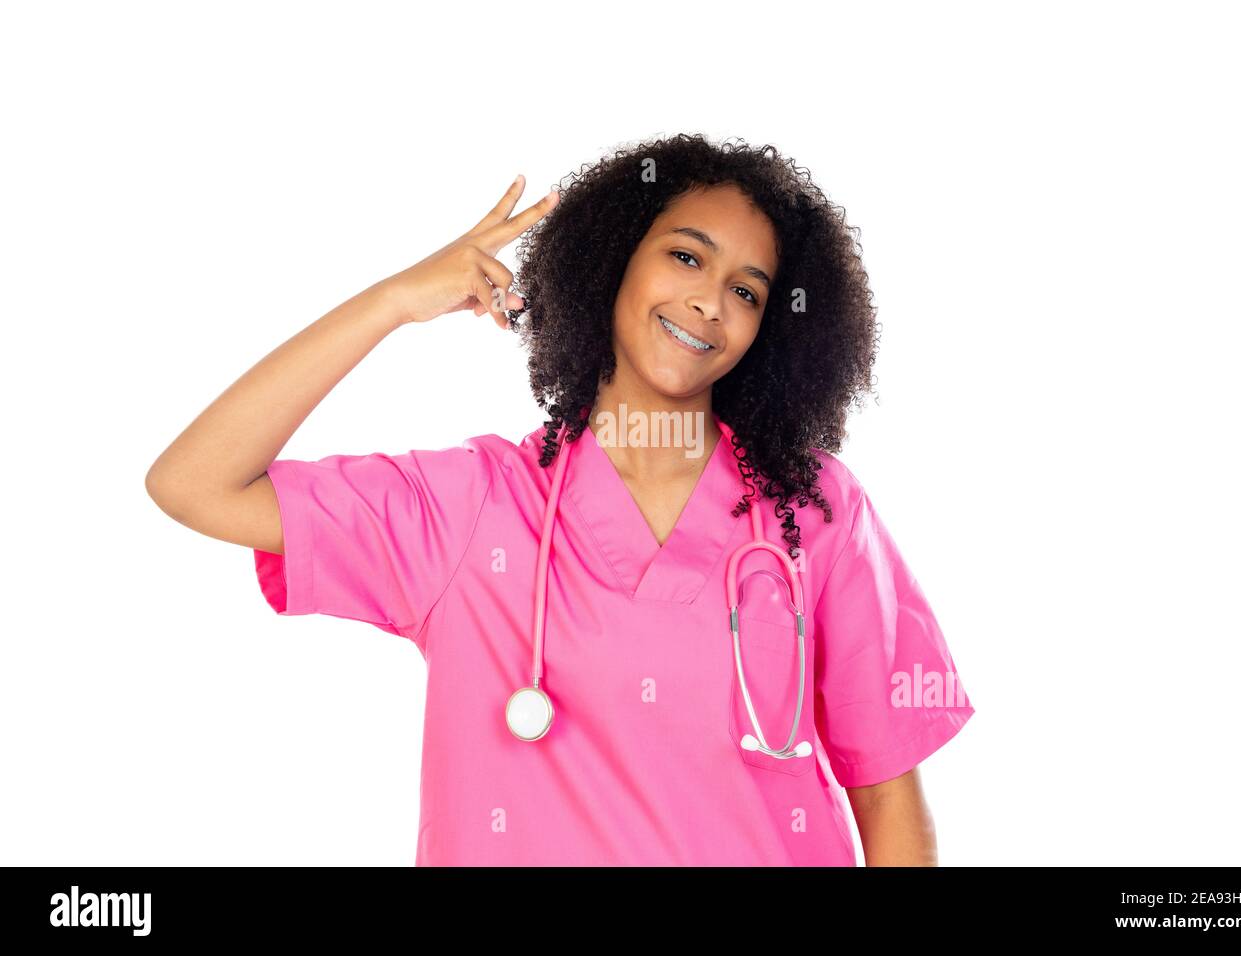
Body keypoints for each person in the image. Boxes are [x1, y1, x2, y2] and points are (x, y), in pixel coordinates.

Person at [146, 133, 975, 866]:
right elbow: (193, 484)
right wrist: (395, 302)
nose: (709, 302)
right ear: (612, 259)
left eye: (748, 291)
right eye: (686, 257)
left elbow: (888, 798)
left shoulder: (813, 511)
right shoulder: (470, 507)